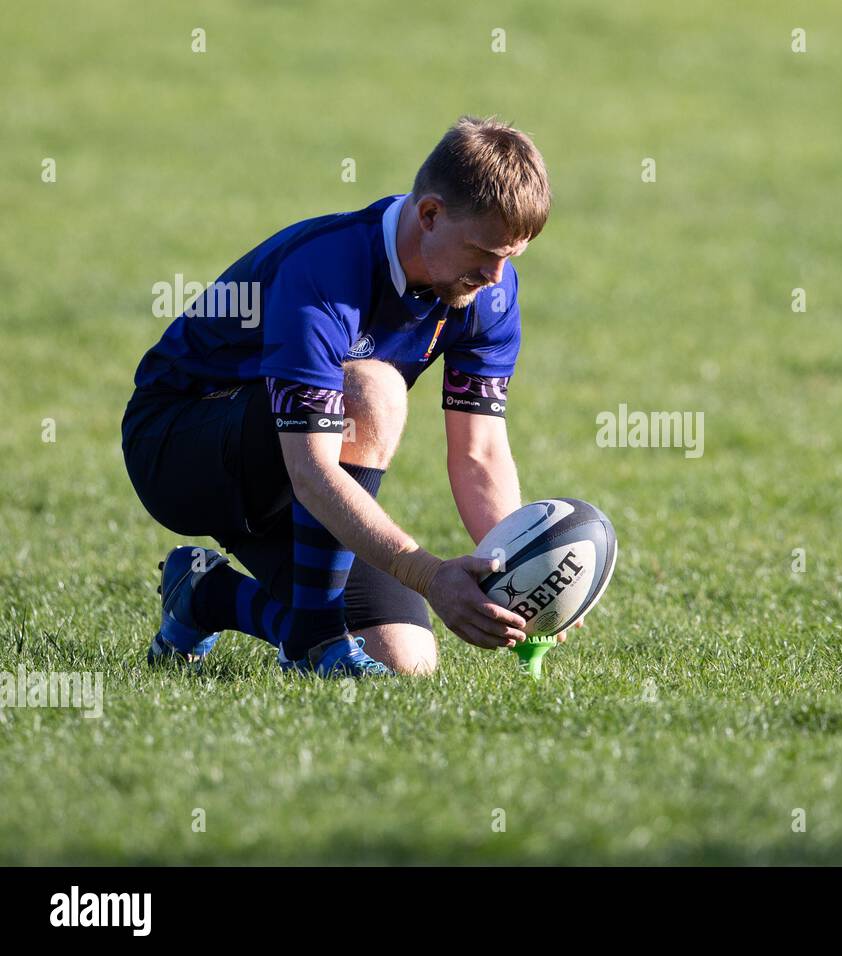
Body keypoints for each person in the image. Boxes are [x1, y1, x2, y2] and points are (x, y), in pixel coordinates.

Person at [121, 115, 578, 678]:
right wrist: (429, 574)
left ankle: (204, 595)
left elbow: (479, 453)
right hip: (178, 447)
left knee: (405, 660)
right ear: (430, 215)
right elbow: (311, 470)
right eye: (483, 251)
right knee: (372, 388)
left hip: (295, 471)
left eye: (511, 256)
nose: (495, 275)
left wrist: (523, 568)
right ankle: (317, 642)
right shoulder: (326, 270)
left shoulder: (487, 291)